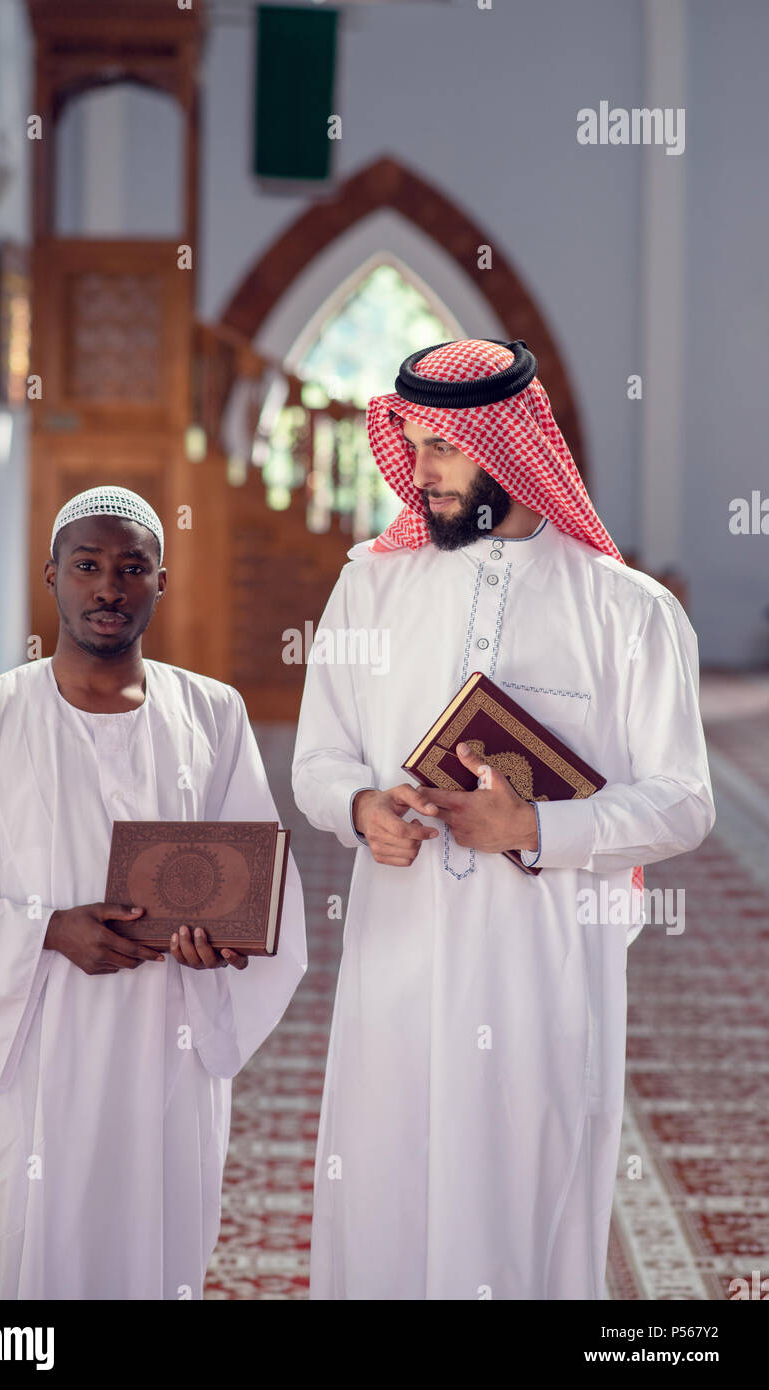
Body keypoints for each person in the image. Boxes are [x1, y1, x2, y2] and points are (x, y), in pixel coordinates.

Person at [291, 338, 714, 1300]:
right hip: (397, 950)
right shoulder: (370, 586)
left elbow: (685, 801)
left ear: (512, 443)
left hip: (546, 965)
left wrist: (534, 832)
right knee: (389, 1177)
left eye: (445, 445)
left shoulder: (628, 612)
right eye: (411, 440)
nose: (422, 467)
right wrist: (361, 810)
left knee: (528, 1188)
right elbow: (317, 760)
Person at [0, 485, 306, 1300]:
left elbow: (263, 888)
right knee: (26, 1250)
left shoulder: (214, 714)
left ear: (163, 580)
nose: (109, 587)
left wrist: (221, 943)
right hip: (37, 1050)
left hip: (170, 1040)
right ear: (51, 575)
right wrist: (46, 931)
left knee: (156, 1248)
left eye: (133, 567)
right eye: (87, 565)